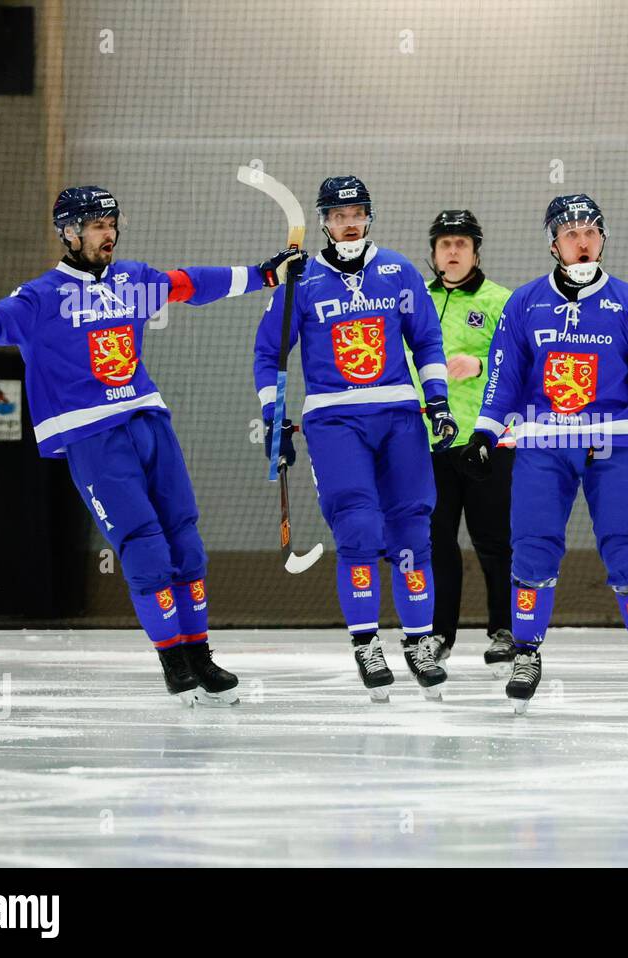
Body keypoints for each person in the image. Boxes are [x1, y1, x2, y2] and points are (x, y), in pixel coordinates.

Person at [0, 186, 303, 705]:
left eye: (112, 223)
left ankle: (200, 653)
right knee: (144, 544)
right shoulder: (43, 296)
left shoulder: (134, 281)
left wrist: (264, 273)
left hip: (148, 419)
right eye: (98, 225)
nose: (109, 234)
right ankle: (173, 660)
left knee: (184, 540)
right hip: (92, 435)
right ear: (69, 232)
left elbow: (191, 283)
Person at [460, 194, 628, 715]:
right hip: (544, 444)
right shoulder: (524, 304)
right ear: (554, 244)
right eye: (571, 233)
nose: (583, 240)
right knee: (532, 547)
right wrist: (484, 431)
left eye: (591, 230)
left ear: (602, 238)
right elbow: (503, 378)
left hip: (614, 444)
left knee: (626, 547)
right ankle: (526, 652)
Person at [253, 175, 457, 701]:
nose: (349, 222)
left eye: (357, 212)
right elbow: (268, 354)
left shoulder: (398, 270)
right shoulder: (302, 281)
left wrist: (437, 401)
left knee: (413, 531)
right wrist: (274, 417)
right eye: (339, 214)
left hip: (399, 416)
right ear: (324, 221)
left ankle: (418, 642)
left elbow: (428, 339)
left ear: (369, 216)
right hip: (335, 421)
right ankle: (366, 642)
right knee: (360, 526)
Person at [408, 210, 515, 675]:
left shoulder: (501, 301)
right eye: (445, 244)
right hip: (427, 443)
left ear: (475, 252)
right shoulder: (413, 299)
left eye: (462, 244)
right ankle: (438, 634)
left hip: (486, 441)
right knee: (436, 542)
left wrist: (481, 364)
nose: (453, 251)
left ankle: (505, 630)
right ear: (433, 253)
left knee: (494, 540)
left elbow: (522, 369)